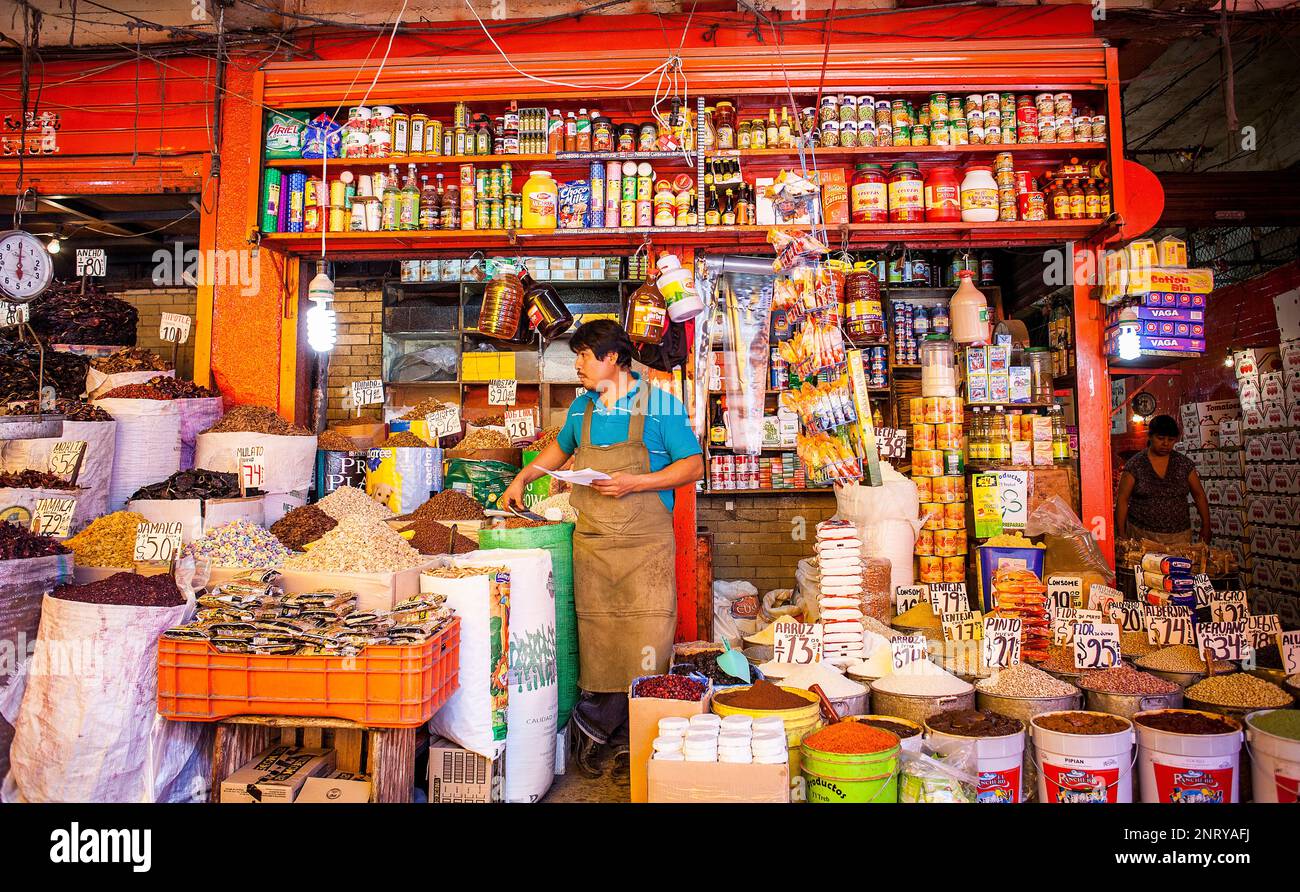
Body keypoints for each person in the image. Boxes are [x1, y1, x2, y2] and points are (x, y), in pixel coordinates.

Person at [501, 319, 703, 781]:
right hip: (593, 548)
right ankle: (601, 733)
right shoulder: (581, 409)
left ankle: (632, 741)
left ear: (612, 357)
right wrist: (524, 477)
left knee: (648, 643)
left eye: (585, 356)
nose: (578, 365)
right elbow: (560, 451)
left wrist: (638, 482)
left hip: (645, 550)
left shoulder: (660, 406)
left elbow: (692, 465)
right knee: (599, 645)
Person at [1115, 414, 1210, 545]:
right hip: (1141, 535)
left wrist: (1206, 526)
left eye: (1171, 440)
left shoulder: (1184, 464)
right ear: (1150, 436)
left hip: (1178, 537)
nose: (1165, 444)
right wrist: (1121, 533)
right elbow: (1122, 499)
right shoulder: (1135, 464)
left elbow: (1199, 495)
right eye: (1160, 438)